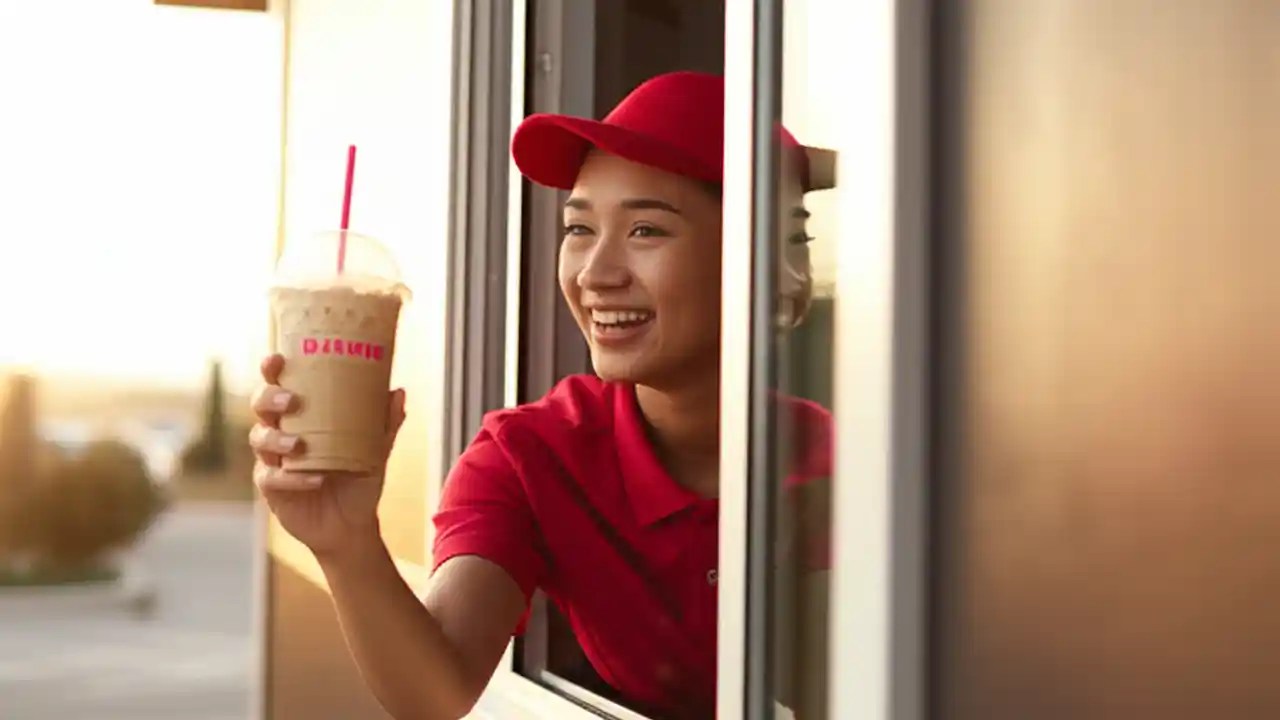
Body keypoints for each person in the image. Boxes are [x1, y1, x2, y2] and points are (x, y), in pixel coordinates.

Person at [249, 70, 833, 720]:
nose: (594, 273)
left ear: (756, 262)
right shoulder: (530, 453)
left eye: (646, 231)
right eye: (579, 229)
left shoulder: (853, 463)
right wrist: (347, 543)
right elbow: (436, 694)